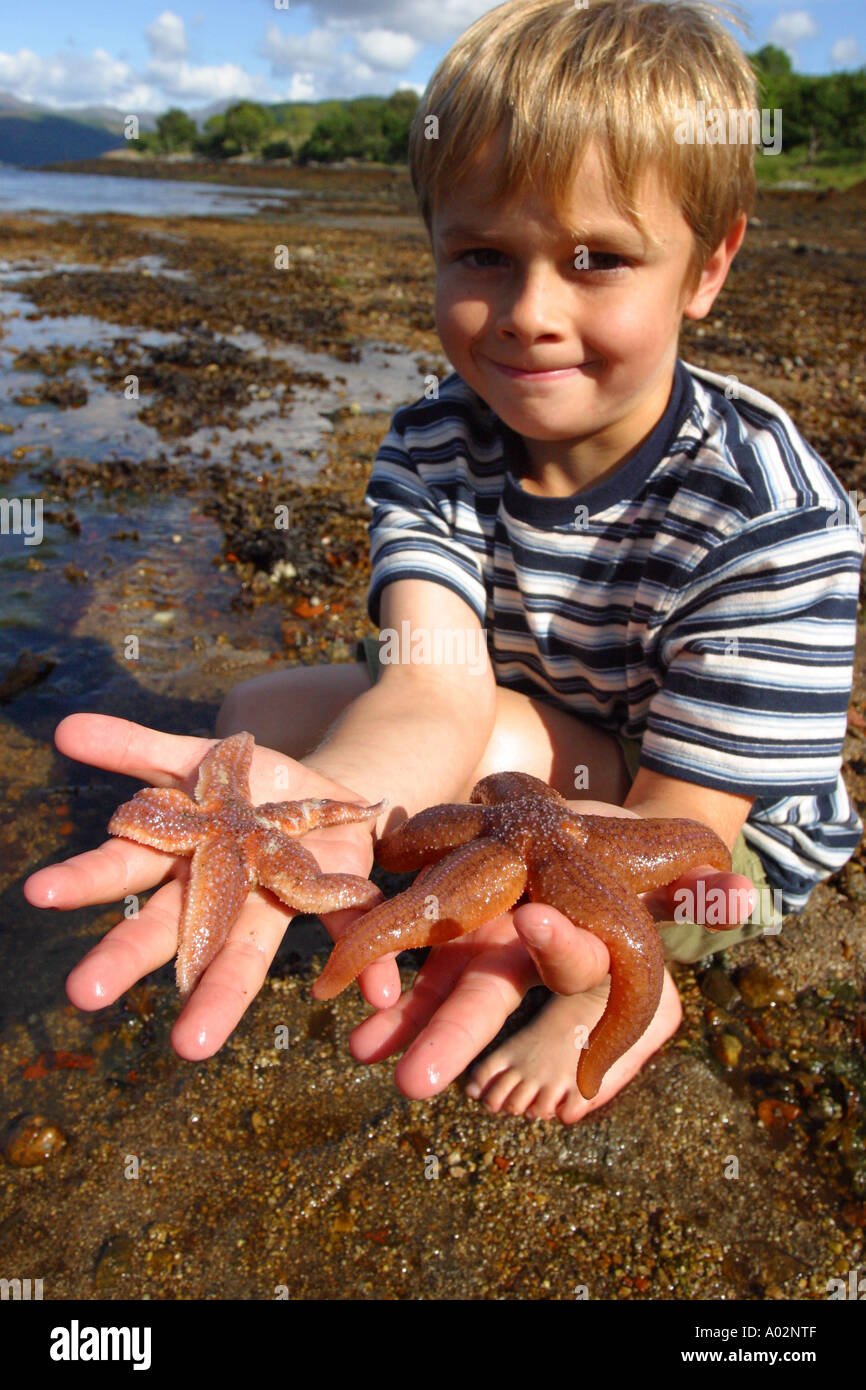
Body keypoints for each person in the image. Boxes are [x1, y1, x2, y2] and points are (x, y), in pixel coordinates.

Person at [25, 0, 862, 1124]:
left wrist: (476, 871)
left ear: (705, 267)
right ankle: (490, 879)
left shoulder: (771, 521)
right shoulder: (432, 441)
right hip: (539, 742)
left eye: (597, 260)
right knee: (261, 710)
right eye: (481, 255)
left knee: (556, 813)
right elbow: (432, 683)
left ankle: (621, 994)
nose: (529, 314)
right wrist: (337, 805)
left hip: (720, 834)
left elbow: (688, 823)